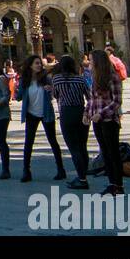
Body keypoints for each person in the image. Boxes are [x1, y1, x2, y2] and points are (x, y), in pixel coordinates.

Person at [18, 55, 67, 183]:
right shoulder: (25, 80)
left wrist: (51, 89)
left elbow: (57, 94)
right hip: (31, 114)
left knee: (53, 141)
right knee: (28, 142)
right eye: (36, 63)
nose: (39, 65)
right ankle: (26, 171)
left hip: (46, 113)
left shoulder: (47, 78)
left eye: (40, 63)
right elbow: (18, 96)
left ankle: (61, 170)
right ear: (30, 66)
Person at [86, 49, 124, 195]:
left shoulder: (112, 77)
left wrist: (100, 114)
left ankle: (118, 185)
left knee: (112, 152)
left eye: (91, 60)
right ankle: (112, 183)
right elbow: (91, 100)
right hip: (97, 121)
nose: (89, 63)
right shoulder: (95, 78)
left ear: (98, 62)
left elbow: (117, 101)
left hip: (109, 120)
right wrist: (87, 114)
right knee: (105, 153)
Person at [51, 55, 92, 190]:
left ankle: (81, 178)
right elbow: (89, 96)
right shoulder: (80, 79)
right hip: (80, 110)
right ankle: (83, 175)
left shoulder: (56, 79)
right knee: (82, 145)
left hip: (66, 113)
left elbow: (55, 95)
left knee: (73, 147)